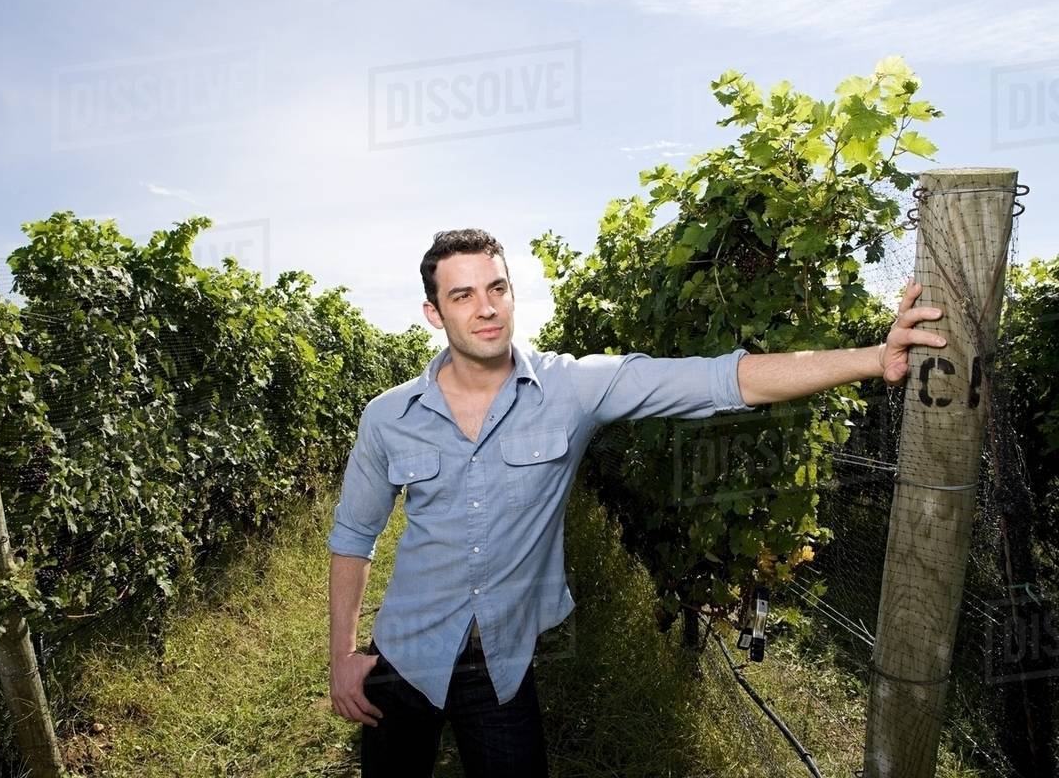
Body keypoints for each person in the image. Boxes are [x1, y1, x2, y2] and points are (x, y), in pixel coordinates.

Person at [327, 228, 944, 777]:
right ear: (434, 313)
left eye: (497, 288)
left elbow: (721, 379)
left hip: (501, 667)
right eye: (462, 295)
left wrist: (872, 358)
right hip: (402, 657)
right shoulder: (389, 417)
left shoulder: (571, 388)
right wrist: (344, 657)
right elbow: (354, 536)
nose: (486, 308)